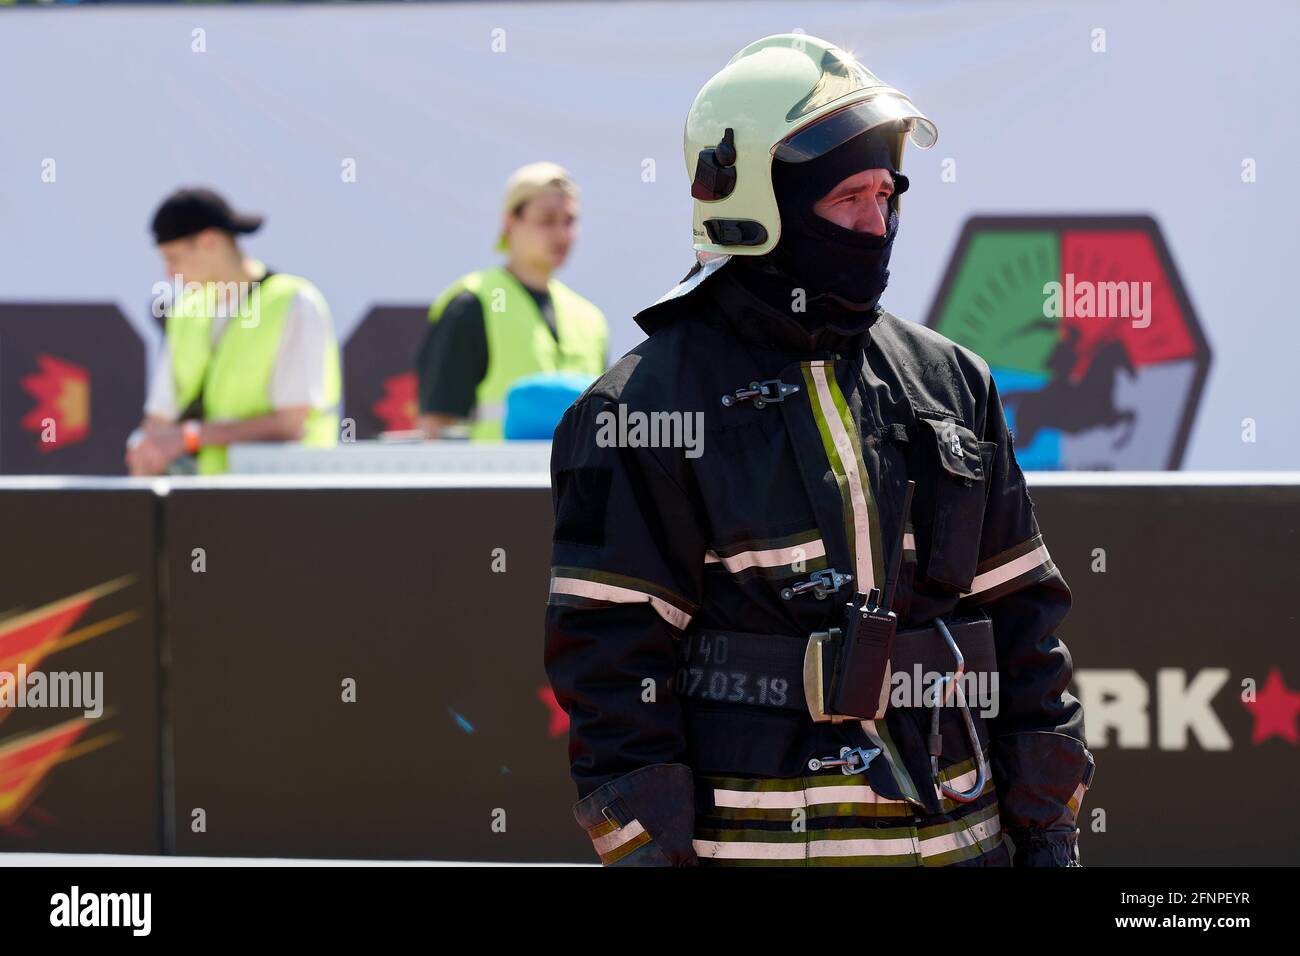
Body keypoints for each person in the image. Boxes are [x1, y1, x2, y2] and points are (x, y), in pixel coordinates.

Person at [543, 34, 1095, 867]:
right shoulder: (638, 410)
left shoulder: (951, 382)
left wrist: (1049, 836)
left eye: (887, 195)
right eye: (848, 200)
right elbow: (614, 673)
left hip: (963, 846)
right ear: (759, 205)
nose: (878, 227)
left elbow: (1025, 627)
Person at [126, 187, 340, 475]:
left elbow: (292, 424)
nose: (169, 273)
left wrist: (188, 437)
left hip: (286, 501)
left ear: (210, 242)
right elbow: (160, 417)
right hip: (205, 500)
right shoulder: (186, 311)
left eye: (173, 258)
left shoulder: (294, 302)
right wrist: (148, 451)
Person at [416, 162, 607, 440]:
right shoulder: (470, 305)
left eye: (569, 220)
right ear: (510, 223)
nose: (562, 234)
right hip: (493, 482)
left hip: (573, 482)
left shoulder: (590, 319)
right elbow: (437, 427)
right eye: (547, 220)